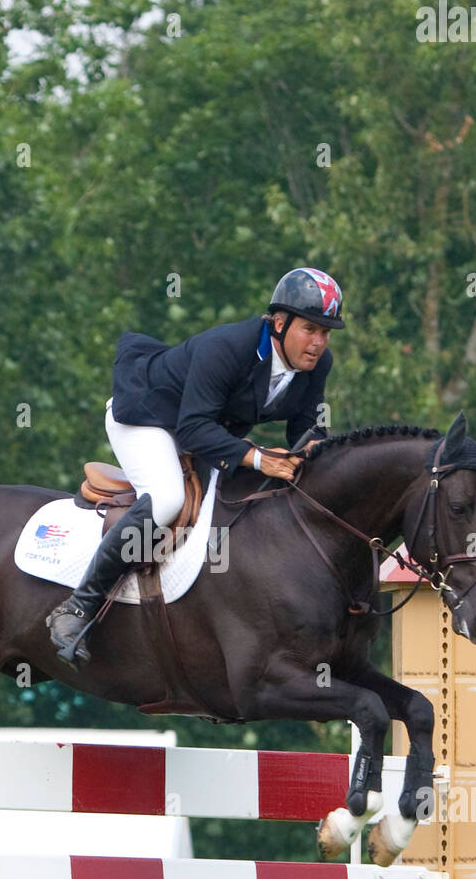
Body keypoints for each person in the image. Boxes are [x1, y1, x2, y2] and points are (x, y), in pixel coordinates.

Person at [47, 266, 344, 664]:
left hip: (205, 430)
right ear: (278, 323)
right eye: (310, 329)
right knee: (168, 500)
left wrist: (315, 454)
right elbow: (191, 427)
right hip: (147, 419)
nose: (319, 342)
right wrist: (258, 458)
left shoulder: (315, 367)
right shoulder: (228, 347)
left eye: (325, 333)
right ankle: (78, 607)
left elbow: (307, 427)